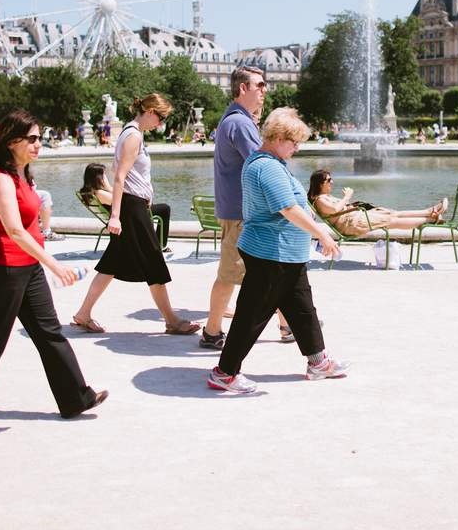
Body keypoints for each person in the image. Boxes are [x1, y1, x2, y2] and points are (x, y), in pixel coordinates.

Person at [0, 110, 104, 429]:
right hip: (3, 268)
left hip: (27, 267)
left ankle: (75, 398)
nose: (39, 144)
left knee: (49, 331)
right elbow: (14, 230)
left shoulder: (22, 175)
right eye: (32, 139)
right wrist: (54, 264)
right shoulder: (0, 178)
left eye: (40, 138)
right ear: (13, 141)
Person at [208, 108, 347, 394]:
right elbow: (287, 208)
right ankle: (225, 373)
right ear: (279, 137)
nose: (297, 148)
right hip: (271, 254)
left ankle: (318, 362)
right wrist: (321, 232)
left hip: (286, 255)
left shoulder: (271, 162)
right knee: (252, 314)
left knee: (303, 310)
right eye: (295, 142)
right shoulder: (266, 166)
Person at [71, 94, 199, 336]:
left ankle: (83, 313)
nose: (160, 123)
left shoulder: (131, 133)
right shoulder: (133, 135)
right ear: (150, 110)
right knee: (154, 261)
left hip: (134, 205)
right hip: (132, 208)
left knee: (111, 263)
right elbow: (119, 177)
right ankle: (171, 320)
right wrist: (115, 216)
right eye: (160, 117)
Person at [200, 65, 281, 350]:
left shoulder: (235, 119)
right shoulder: (240, 123)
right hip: (242, 213)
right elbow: (262, 164)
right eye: (259, 85)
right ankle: (211, 331)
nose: (264, 90)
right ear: (242, 88)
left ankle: (287, 325)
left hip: (239, 210)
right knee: (231, 275)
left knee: (270, 271)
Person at [309, 170, 447, 236]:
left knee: (393, 213)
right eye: (328, 180)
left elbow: (337, 210)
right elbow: (334, 210)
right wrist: (347, 197)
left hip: (355, 218)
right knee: (391, 220)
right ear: (320, 184)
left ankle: (430, 212)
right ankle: (429, 219)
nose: (332, 182)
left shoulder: (325, 196)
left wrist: (350, 205)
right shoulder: (320, 200)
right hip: (352, 224)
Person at [78, 162, 171, 251]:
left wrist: (109, 187)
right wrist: (108, 187)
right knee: (165, 209)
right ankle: (160, 244)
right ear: (99, 178)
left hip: (129, 212)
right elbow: (121, 200)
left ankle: (158, 243)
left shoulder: (94, 192)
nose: (106, 177)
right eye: (104, 175)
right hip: (131, 215)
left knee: (159, 207)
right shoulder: (100, 193)